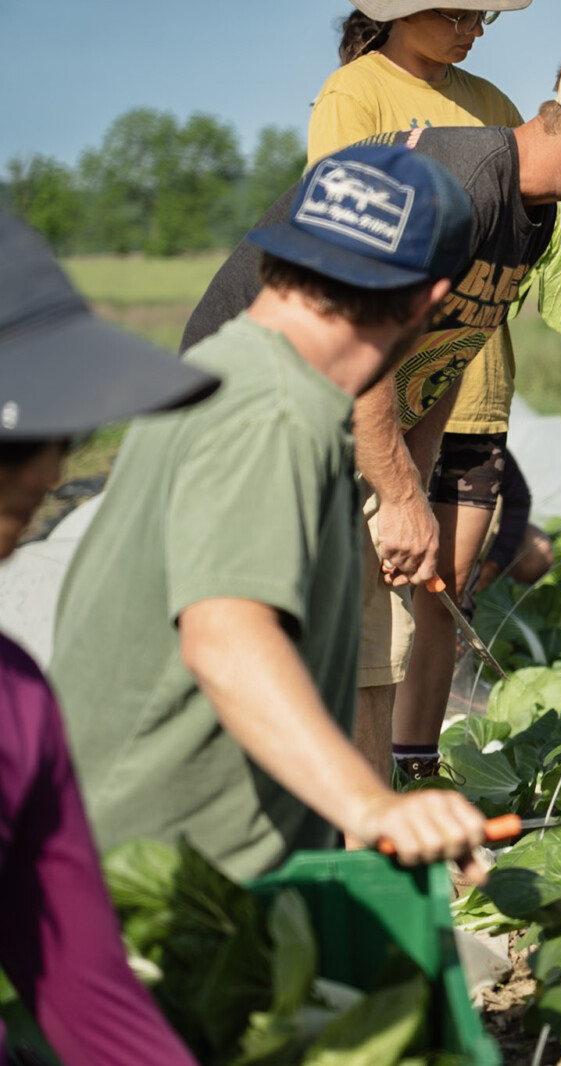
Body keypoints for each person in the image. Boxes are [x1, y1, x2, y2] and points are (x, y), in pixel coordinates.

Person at [180, 40, 561, 783]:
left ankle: (373, 856)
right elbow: (362, 343)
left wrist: (414, 494)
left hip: (335, 415)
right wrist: (399, 496)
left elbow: (442, 358)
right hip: (251, 413)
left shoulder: (527, 219)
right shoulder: (455, 189)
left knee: (373, 654)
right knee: (281, 649)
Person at [53, 145, 492, 882]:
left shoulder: (226, 368)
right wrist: (370, 805)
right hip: (150, 888)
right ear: (429, 302)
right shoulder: (276, 412)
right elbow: (226, 636)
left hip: (141, 864)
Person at [0, 214, 213, 1065]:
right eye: (20, 440)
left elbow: (86, 993)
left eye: (65, 438)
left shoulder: (17, 699)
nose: (51, 473)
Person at [307, 0, 533, 779]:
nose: (474, 30)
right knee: (380, 594)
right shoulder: (356, 93)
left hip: (474, 380)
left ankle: (418, 768)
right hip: (387, 391)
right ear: (402, 11)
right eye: (459, 14)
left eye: (483, 17)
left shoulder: (492, 105)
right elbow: (340, 238)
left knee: (445, 592)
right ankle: (362, 773)